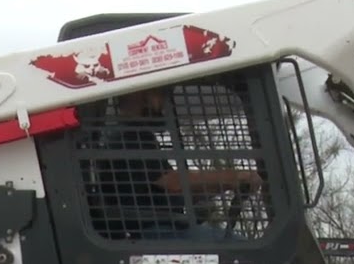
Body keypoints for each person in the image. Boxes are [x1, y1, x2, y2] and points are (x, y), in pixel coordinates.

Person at [95, 86, 261, 241]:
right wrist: (234, 176)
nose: (162, 105)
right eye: (159, 96)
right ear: (140, 95)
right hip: (154, 231)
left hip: (157, 227)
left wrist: (222, 186)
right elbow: (173, 183)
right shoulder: (129, 137)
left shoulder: (135, 137)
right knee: (245, 250)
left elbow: (172, 190)